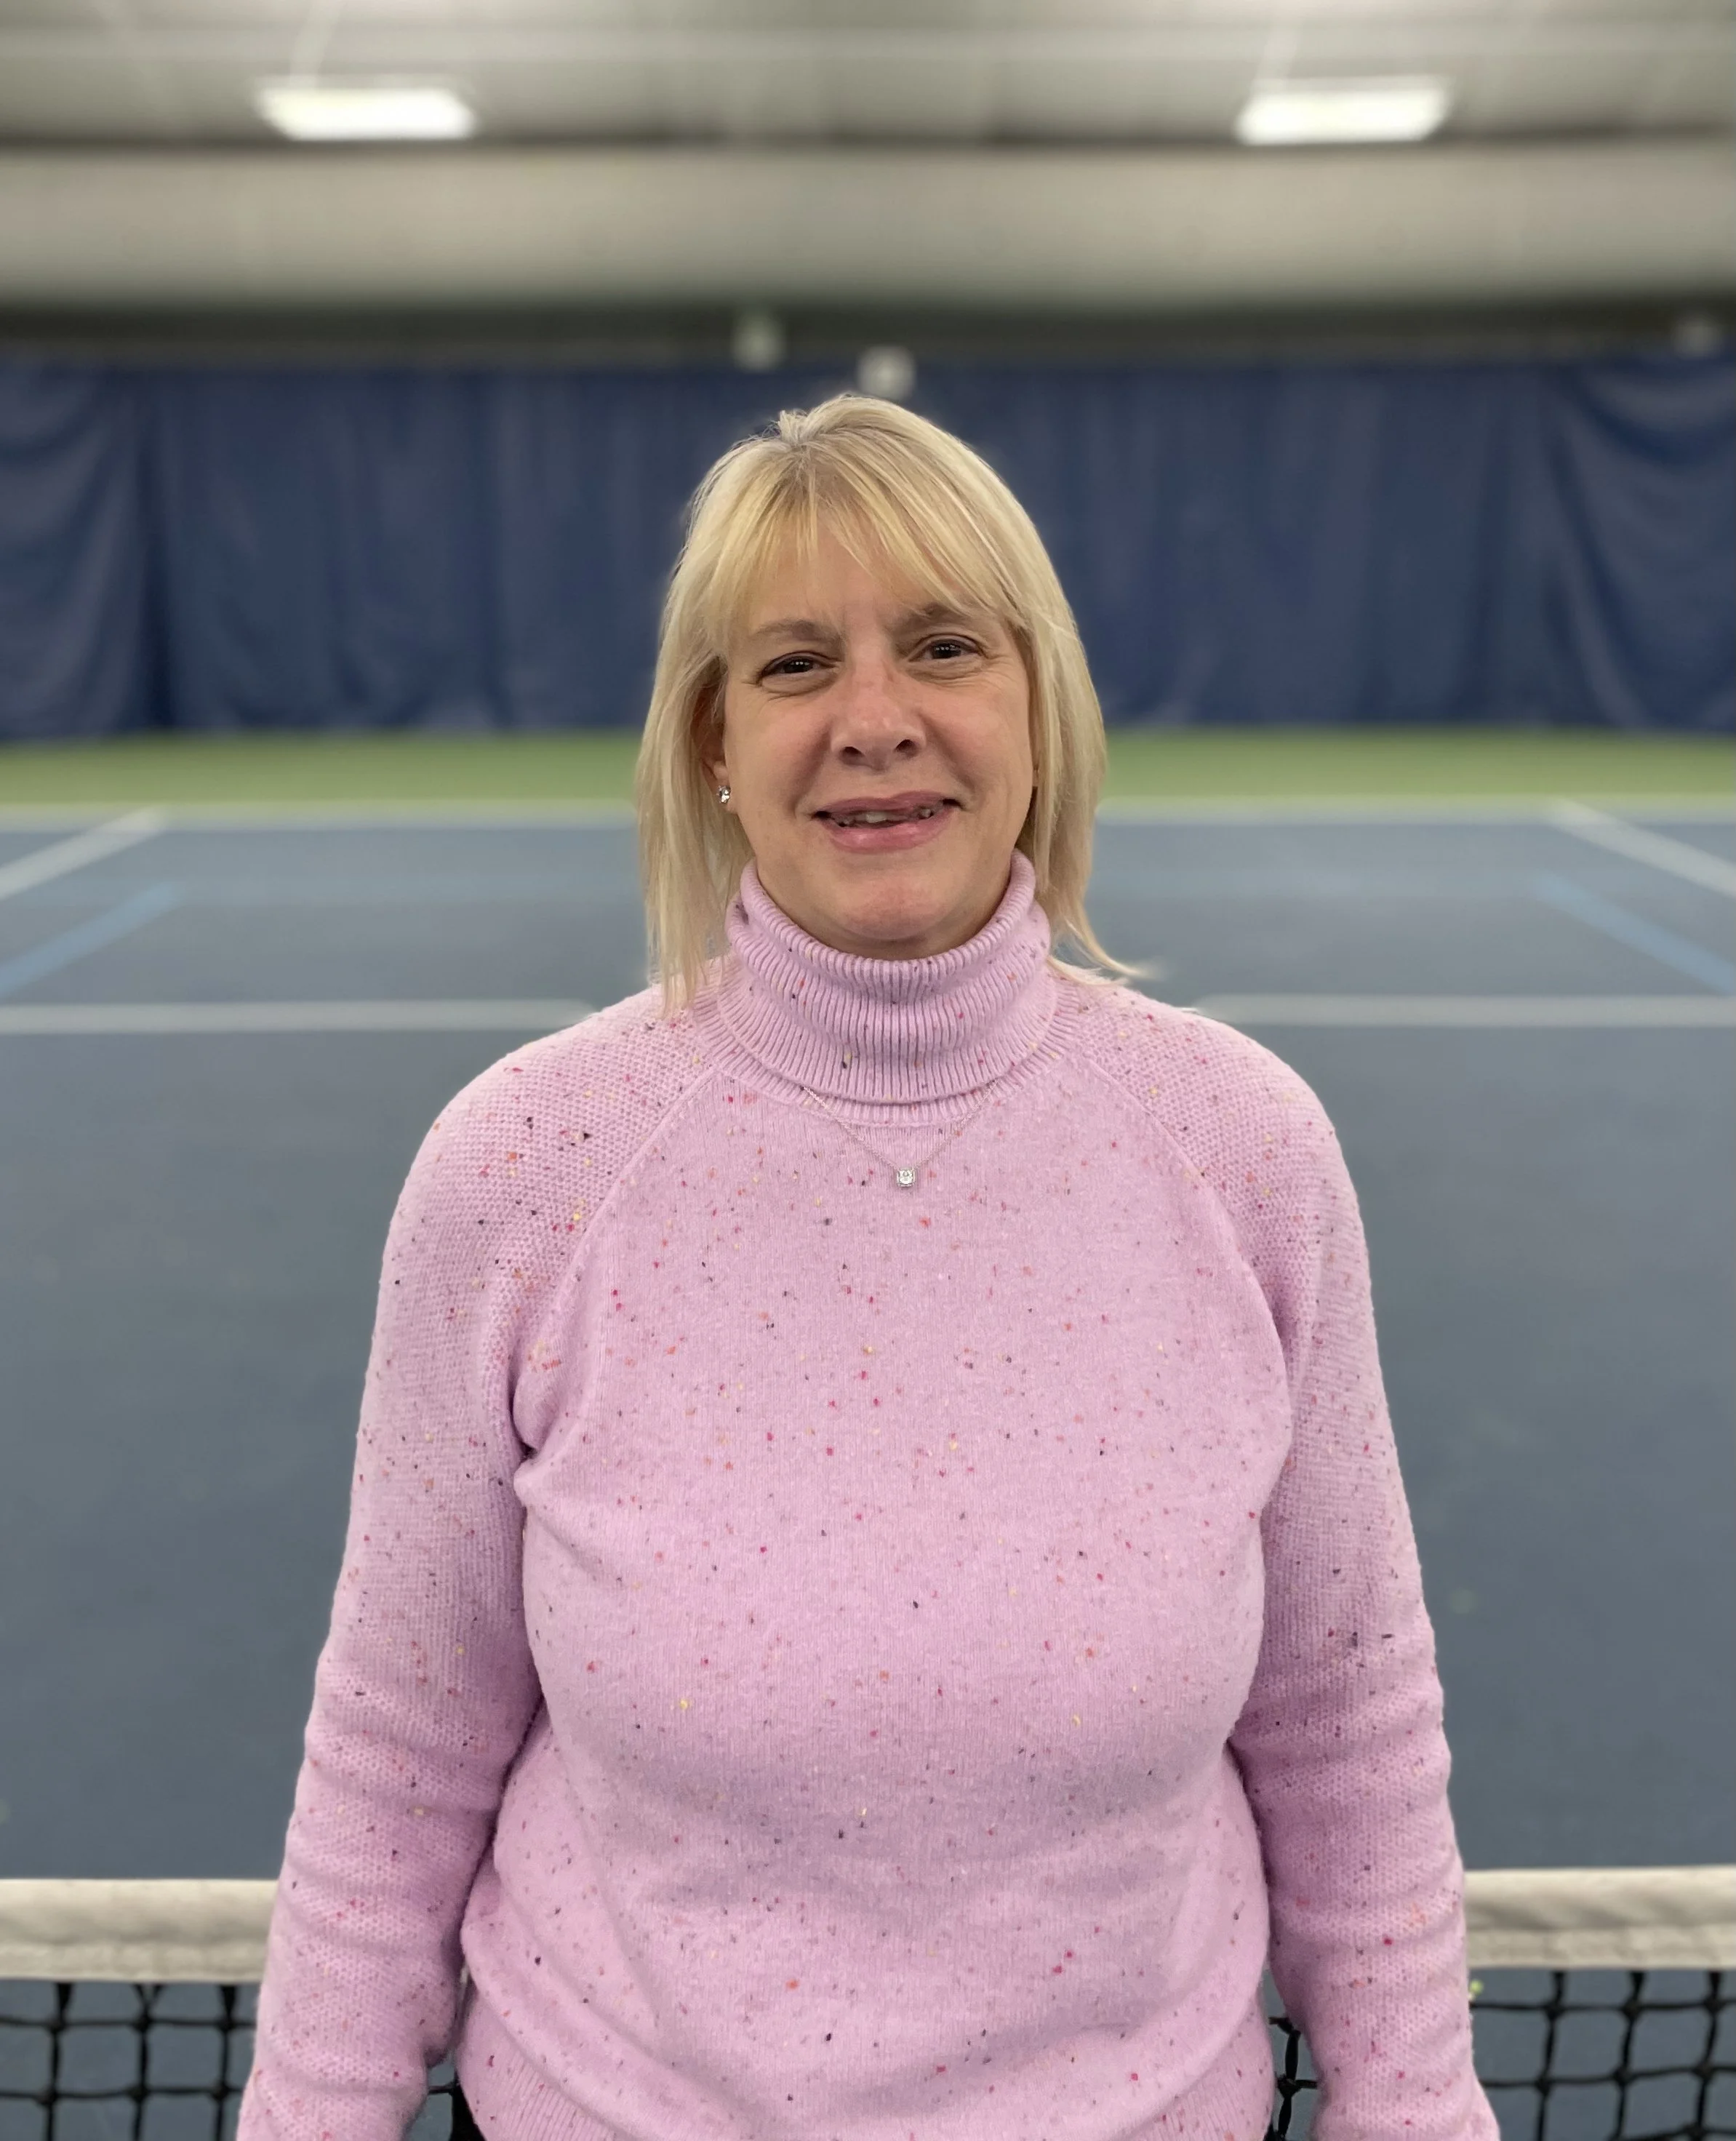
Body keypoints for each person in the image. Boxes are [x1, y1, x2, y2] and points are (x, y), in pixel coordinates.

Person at [240, 394, 1495, 2141]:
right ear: (709, 743)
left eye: (940, 645)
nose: (874, 721)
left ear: (1037, 715)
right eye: (792, 665)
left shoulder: (1246, 1150)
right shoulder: (521, 1165)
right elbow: (399, 1744)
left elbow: (1346, 1712)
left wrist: (1414, 2115)